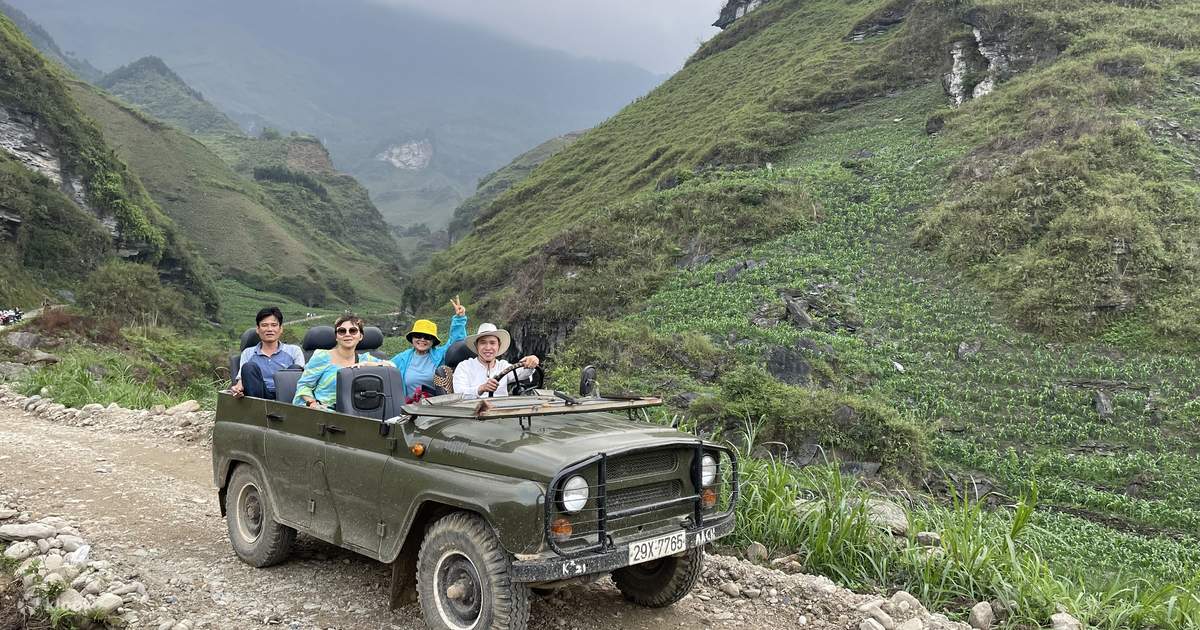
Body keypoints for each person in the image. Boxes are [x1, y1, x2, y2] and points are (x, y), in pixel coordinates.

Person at [294, 314, 388, 409]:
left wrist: (367, 364)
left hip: (360, 411)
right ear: (336, 337)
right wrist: (312, 403)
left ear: (360, 336)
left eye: (353, 331)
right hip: (325, 412)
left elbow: (392, 367)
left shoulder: (366, 359)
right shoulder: (322, 356)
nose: (347, 334)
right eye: (342, 331)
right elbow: (304, 385)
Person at [391, 296, 468, 400]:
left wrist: (459, 319)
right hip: (410, 408)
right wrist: (364, 360)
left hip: (435, 408)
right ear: (412, 338)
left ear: (433, 341)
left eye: (427, 337)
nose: (422, 339)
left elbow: (456, 343)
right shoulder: (403, 358)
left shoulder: (440, 355)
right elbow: (385, 364)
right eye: (418, 335)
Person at [231, 307, 305, 400]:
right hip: (259, 396)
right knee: (249, 367)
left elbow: (304, 381)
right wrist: (238, 389)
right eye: (264, 325)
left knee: (296, 369)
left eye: (274, 325)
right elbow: (242, 379)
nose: (269, 329)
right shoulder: (248, 353)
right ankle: (258, 411)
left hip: (287, 398)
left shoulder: (294, 351)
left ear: (281, 329)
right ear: (258, 329)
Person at [453, 323, 540, 399]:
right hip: (473, 414)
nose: (488, 348)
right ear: (477, 346)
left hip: (502, 413)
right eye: (483, 343)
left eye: (492, 343)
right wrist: (481, 388)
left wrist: (532, 361)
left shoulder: (503, 366)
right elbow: (459, 393)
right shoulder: (465, 366)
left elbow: (522, 373)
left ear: (498, 346)